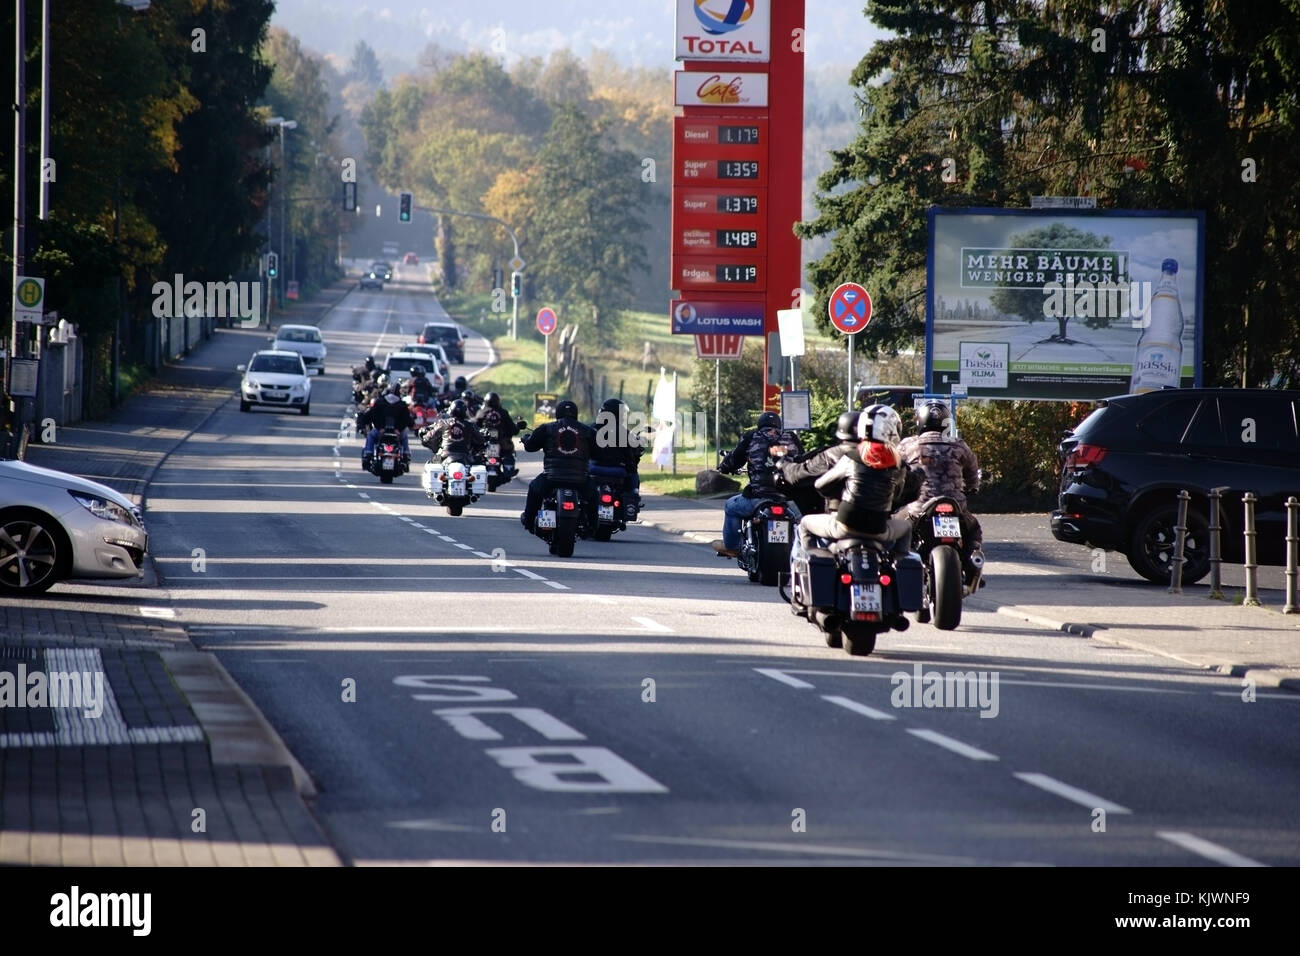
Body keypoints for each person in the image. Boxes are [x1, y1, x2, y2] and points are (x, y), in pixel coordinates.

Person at [794, 404, 916, 558]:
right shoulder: (898, 465)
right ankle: (897, 565)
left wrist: (841, 491)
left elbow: (820, 485)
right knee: (906, 527)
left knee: (804, 523)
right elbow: (897, 497)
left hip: (844, 526)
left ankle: (816, 564)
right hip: (879, 529)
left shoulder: (851, 457)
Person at [897, 400, 984, 574]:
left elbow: (895, 471)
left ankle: (901, 568)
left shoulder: (908, 445)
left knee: (896, 531)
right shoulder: (959, 444)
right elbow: (972, 472)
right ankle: (973, 564)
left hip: (918, 508)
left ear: (919, 421)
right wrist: (972, 486)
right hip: (955, 506)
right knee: (973, 530)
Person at [711, 411, 804, 558]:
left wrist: (724, 467)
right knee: (802, 520)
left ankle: (733, 547)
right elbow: (802, 461)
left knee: (730, 506)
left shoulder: (751, 436)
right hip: (788, 498)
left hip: (758, 497)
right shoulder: (791, 437)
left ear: (760, 425)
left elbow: (734, 459)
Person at [519, 399, 595, 532]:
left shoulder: (547, 428)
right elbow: (598, 453)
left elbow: (530, 447)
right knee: (594, 494)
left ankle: (529, 521)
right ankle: (593, 526)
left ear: (557, 413)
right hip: (580, 479)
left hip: (551, 478)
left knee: (534, 489)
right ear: (576, 413)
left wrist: (526, 440)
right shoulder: (587, 431)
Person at [775, 410, 862, 520]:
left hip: (842, 520)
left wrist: (783, 464)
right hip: (880, 524)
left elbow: (799, 475)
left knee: (806, 524)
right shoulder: (881, 455)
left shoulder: (833, 454)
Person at [590, 398, 644, 508]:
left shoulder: (591, 429)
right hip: (618, 471)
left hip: (594, 469)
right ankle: (632, 499)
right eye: (623, 414)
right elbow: (638, 448)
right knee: (633, 474)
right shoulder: (624, 432)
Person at [358, 382, 413, 468]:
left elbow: (372, 416)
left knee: (371, 436)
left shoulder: (380, 402)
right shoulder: (402, 404)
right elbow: (407, 420)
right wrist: (398, 429)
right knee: (404, 437)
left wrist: (379, 428)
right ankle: (406, 455)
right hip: (396, 432)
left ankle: (368, 453)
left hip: (381, 431)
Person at [419, 399, 485, 464]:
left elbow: (429, 437)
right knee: (480, 463)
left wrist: (425, 436)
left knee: (429, 466)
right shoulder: (470, 425)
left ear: (451, 410)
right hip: (464, 457)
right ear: (465, 411)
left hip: (445, 455)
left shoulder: (443, 423)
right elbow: (481, 441)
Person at [474, 392, 519, 473]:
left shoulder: (481, 412)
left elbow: (475, 427)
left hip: (487, 444)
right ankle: (508, 467)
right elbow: (512, 428)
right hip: (498, 444)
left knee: (508, 451)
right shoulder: (503, 412)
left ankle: (508, 466)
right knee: (508, 451)